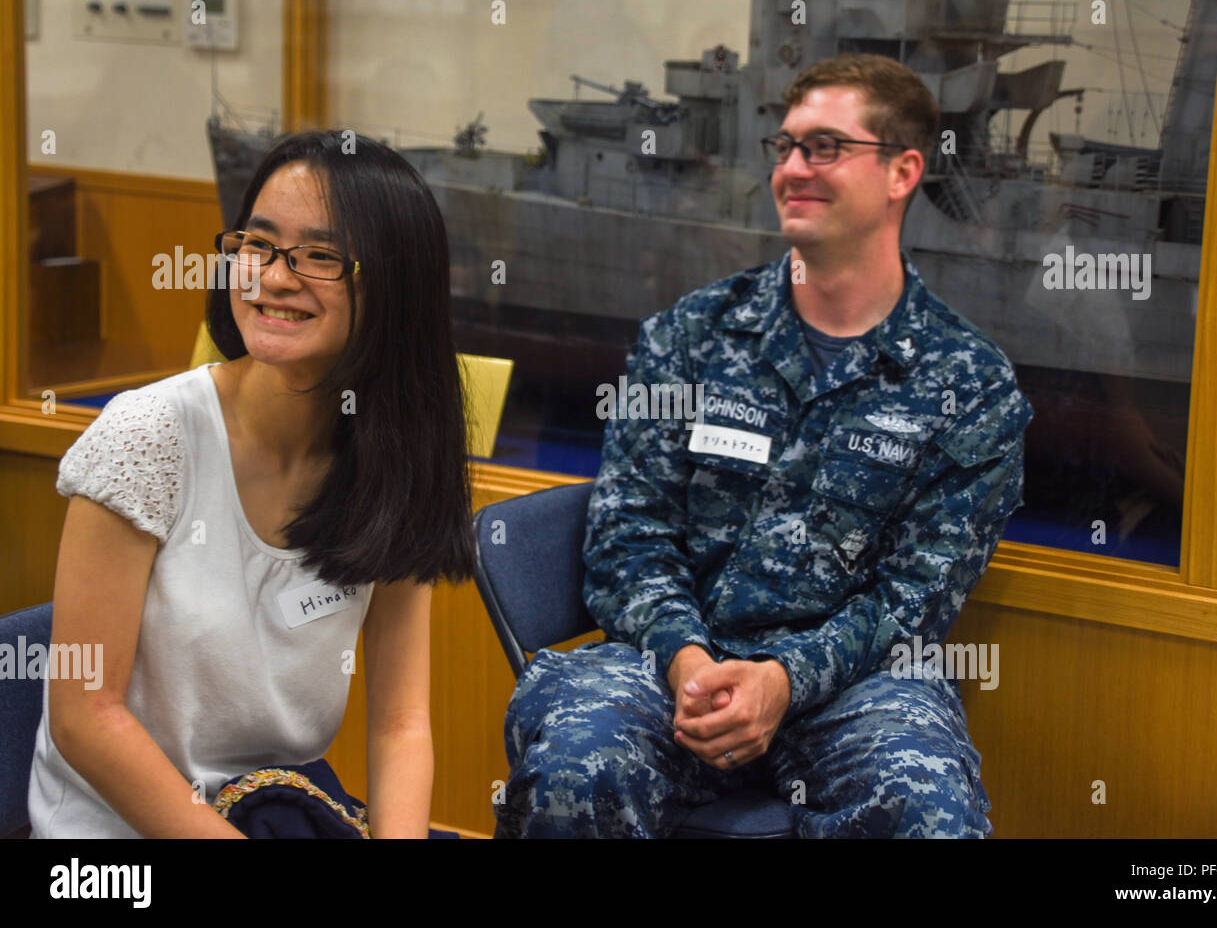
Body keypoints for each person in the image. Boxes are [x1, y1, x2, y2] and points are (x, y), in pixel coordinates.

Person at [495, 54, 1034, 838]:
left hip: (854, 681)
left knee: (929, 810)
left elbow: (916, 596)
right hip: (672, 662)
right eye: (783, 147)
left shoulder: (970, 383)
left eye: (823, 148)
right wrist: (688, 661)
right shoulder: (689, 337)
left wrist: (784, 680)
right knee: (578, 760)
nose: (792, 170)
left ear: (902, 172)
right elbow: (629, 533)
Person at [29, 130, 474, 838]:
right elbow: (86, 716)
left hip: (276, 810)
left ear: (396, 289)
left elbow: (399, 724)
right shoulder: (146, 435)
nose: (271, 277)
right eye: (256, 245)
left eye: (320, 256)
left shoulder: (397, 459)